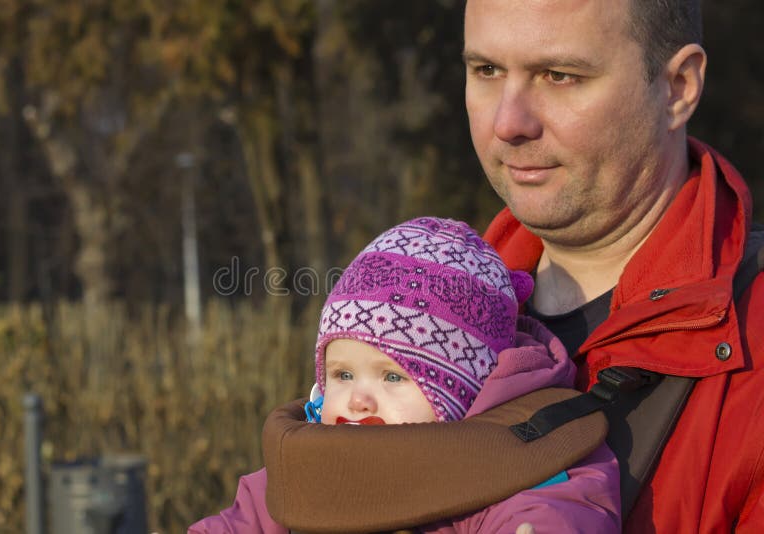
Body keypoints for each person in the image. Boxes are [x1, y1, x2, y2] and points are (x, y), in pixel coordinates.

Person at [260, 0, 764, 532]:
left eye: (560, 75)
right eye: (487, 70)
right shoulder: (415, 310)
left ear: (677, 87)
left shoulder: (751, 347)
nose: (508, 122)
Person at [189, 217, 621, 533]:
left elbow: (555, 504)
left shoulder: (495, 463)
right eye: (341, 375)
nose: (358, 399)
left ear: (464, 390)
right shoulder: (310, 463)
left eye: (392, 378)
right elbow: (243, 521)